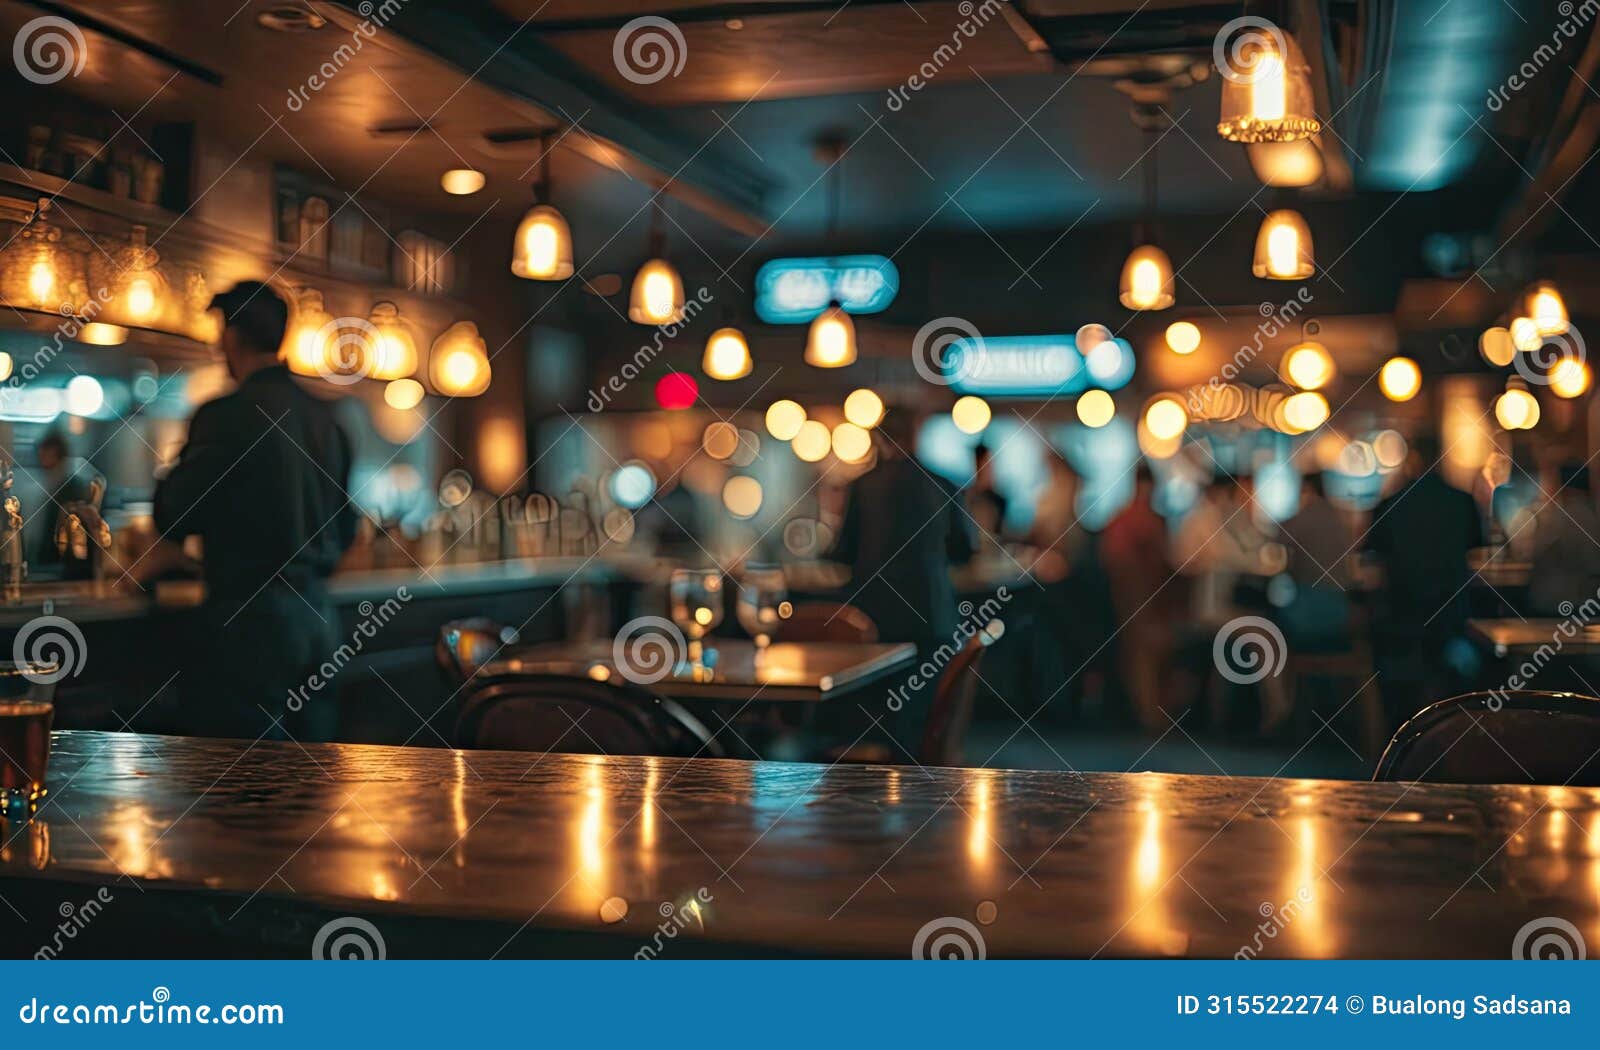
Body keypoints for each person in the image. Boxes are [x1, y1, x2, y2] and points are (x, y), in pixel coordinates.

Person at [153, 281, 356, 738]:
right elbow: (346, 529)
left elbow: (174, 515)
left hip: (249, 625)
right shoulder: (328, 419)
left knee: (243, 775)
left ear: (231, 336)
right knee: (312, 772)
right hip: (319, 620)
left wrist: (172, 467)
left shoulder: (225, 416)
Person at [834, 406, 975, 747]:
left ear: (879, 438)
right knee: (922, 713)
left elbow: (842, 552)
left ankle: (879, 769)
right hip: (931, 615)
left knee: (876, 714)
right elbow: (965, 550)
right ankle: (918, 769)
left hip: (871, 619)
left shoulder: (862, 486)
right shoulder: (943, 484)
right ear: (915, 435)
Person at [1364, 434, 1484, 728]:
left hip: (1402, 615)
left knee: (1399, 683)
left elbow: (1372, 554)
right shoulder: (1462, 501)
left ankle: (1401, 738)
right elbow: (1477, 546)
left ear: (1411, 458)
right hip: (1452, 615)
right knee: (1456, 680)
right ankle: (1452, 733)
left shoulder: (1391, 503)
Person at [1527, 463, 1600, 615]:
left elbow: (1532, 553)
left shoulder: (1557, 517)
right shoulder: (1589, 516)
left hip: (1556, 601)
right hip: (1579, 602)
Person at [966, 443, 1008, 542]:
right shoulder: (965, 497)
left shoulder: (1000, 500)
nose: (991, 469)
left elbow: (1001, 534)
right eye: (987, 464)